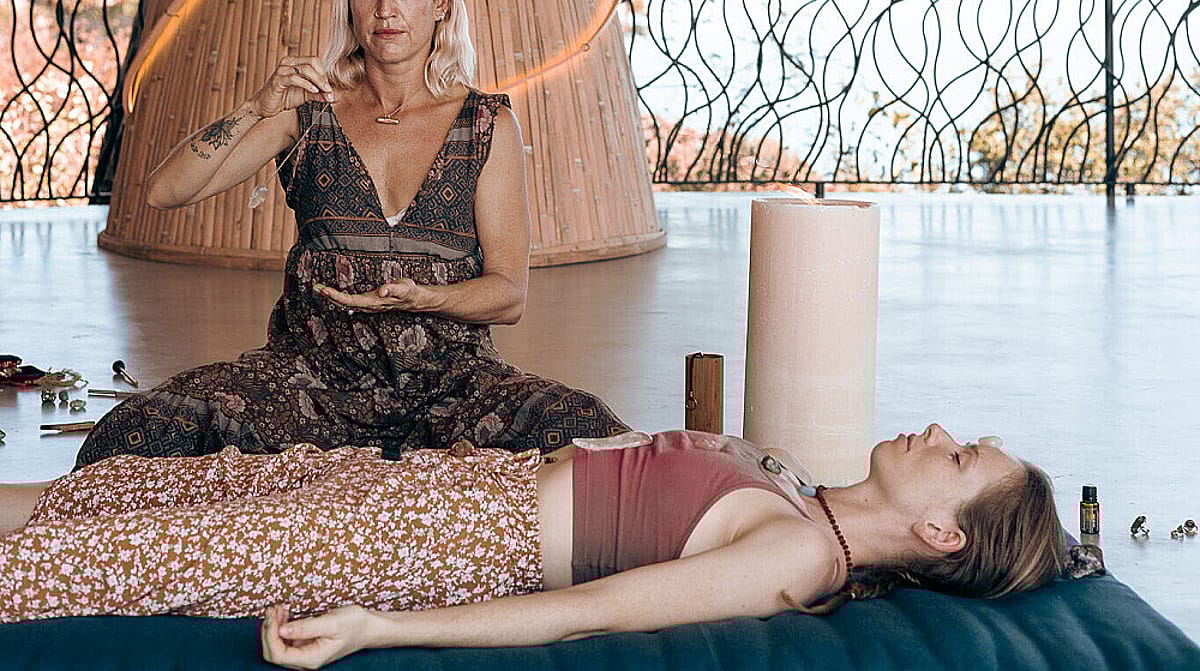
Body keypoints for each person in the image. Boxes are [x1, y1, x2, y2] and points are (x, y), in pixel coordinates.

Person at [75, 0, 628, 467]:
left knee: (587, 428)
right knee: (140, 429)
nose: (385, 10)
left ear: (441, 3)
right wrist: (255, 108)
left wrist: (424, 298)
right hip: (309, 385)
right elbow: (164, 191)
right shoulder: (309, 108)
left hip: (453, 388)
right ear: (350, 4)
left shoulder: (485, 125)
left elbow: (508, 295)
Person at [0, 423, 1068, 669]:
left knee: (95, 557)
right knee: (112, 491)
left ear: (940, 531)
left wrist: (379, 627)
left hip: (426, 541)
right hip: (443, 482)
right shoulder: (807, 490)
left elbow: (588, 612)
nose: (938, 430)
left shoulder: (796, 556)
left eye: (959, 455)